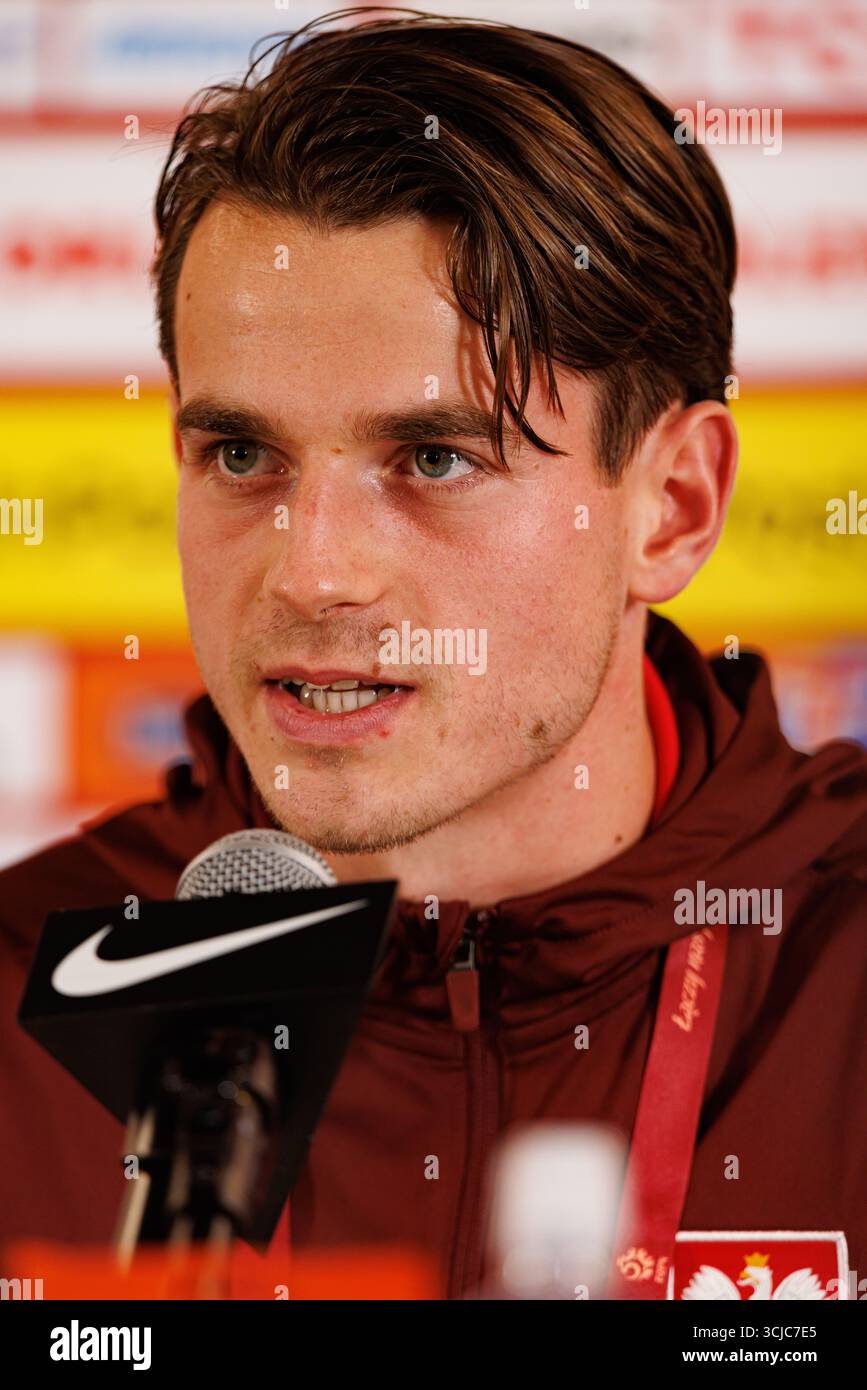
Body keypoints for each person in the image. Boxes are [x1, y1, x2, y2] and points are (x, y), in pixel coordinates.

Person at [1, 11, 864, 1300]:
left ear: (672, 506)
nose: (313, 572)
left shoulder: (838, 971)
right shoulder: (24, 1005)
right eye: (243, 456)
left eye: (435, 459)